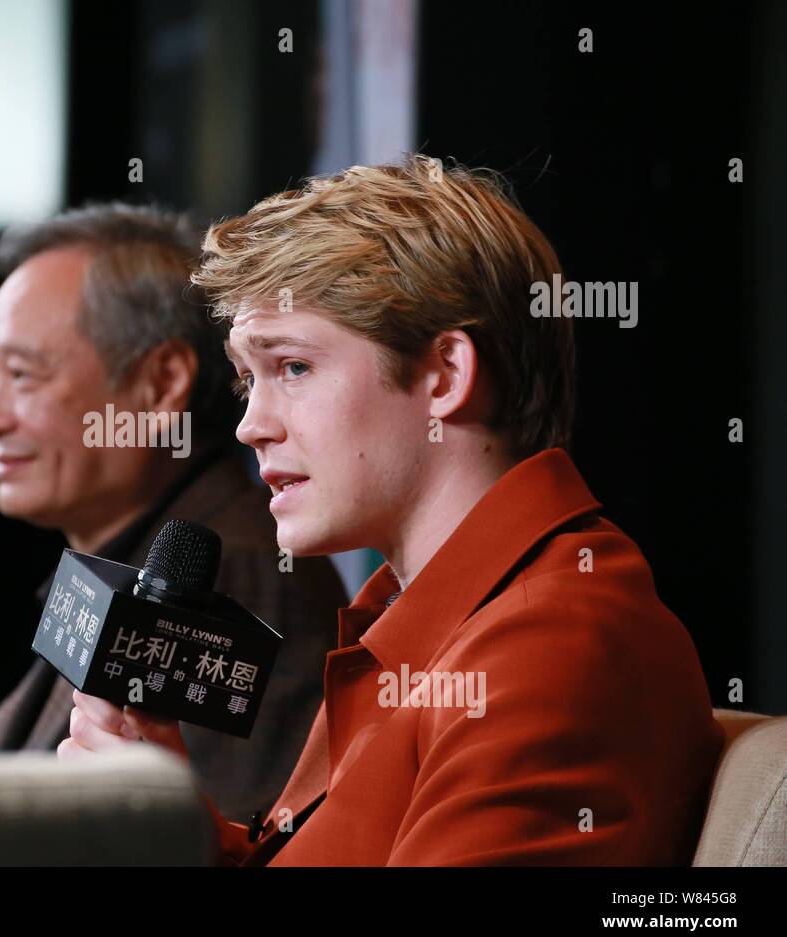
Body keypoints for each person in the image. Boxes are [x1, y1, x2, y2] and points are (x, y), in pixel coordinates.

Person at [60, 157, 726, 865]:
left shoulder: (549, 642)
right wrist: (172, 837)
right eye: (248, 379)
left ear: (446, 375)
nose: (251, 424)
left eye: (293, 368)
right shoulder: (426, 617)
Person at [0, 202, 349, 821]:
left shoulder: (240, 579)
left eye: (22, 374)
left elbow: (217, 842)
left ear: (160, 382)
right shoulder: (113, 565)